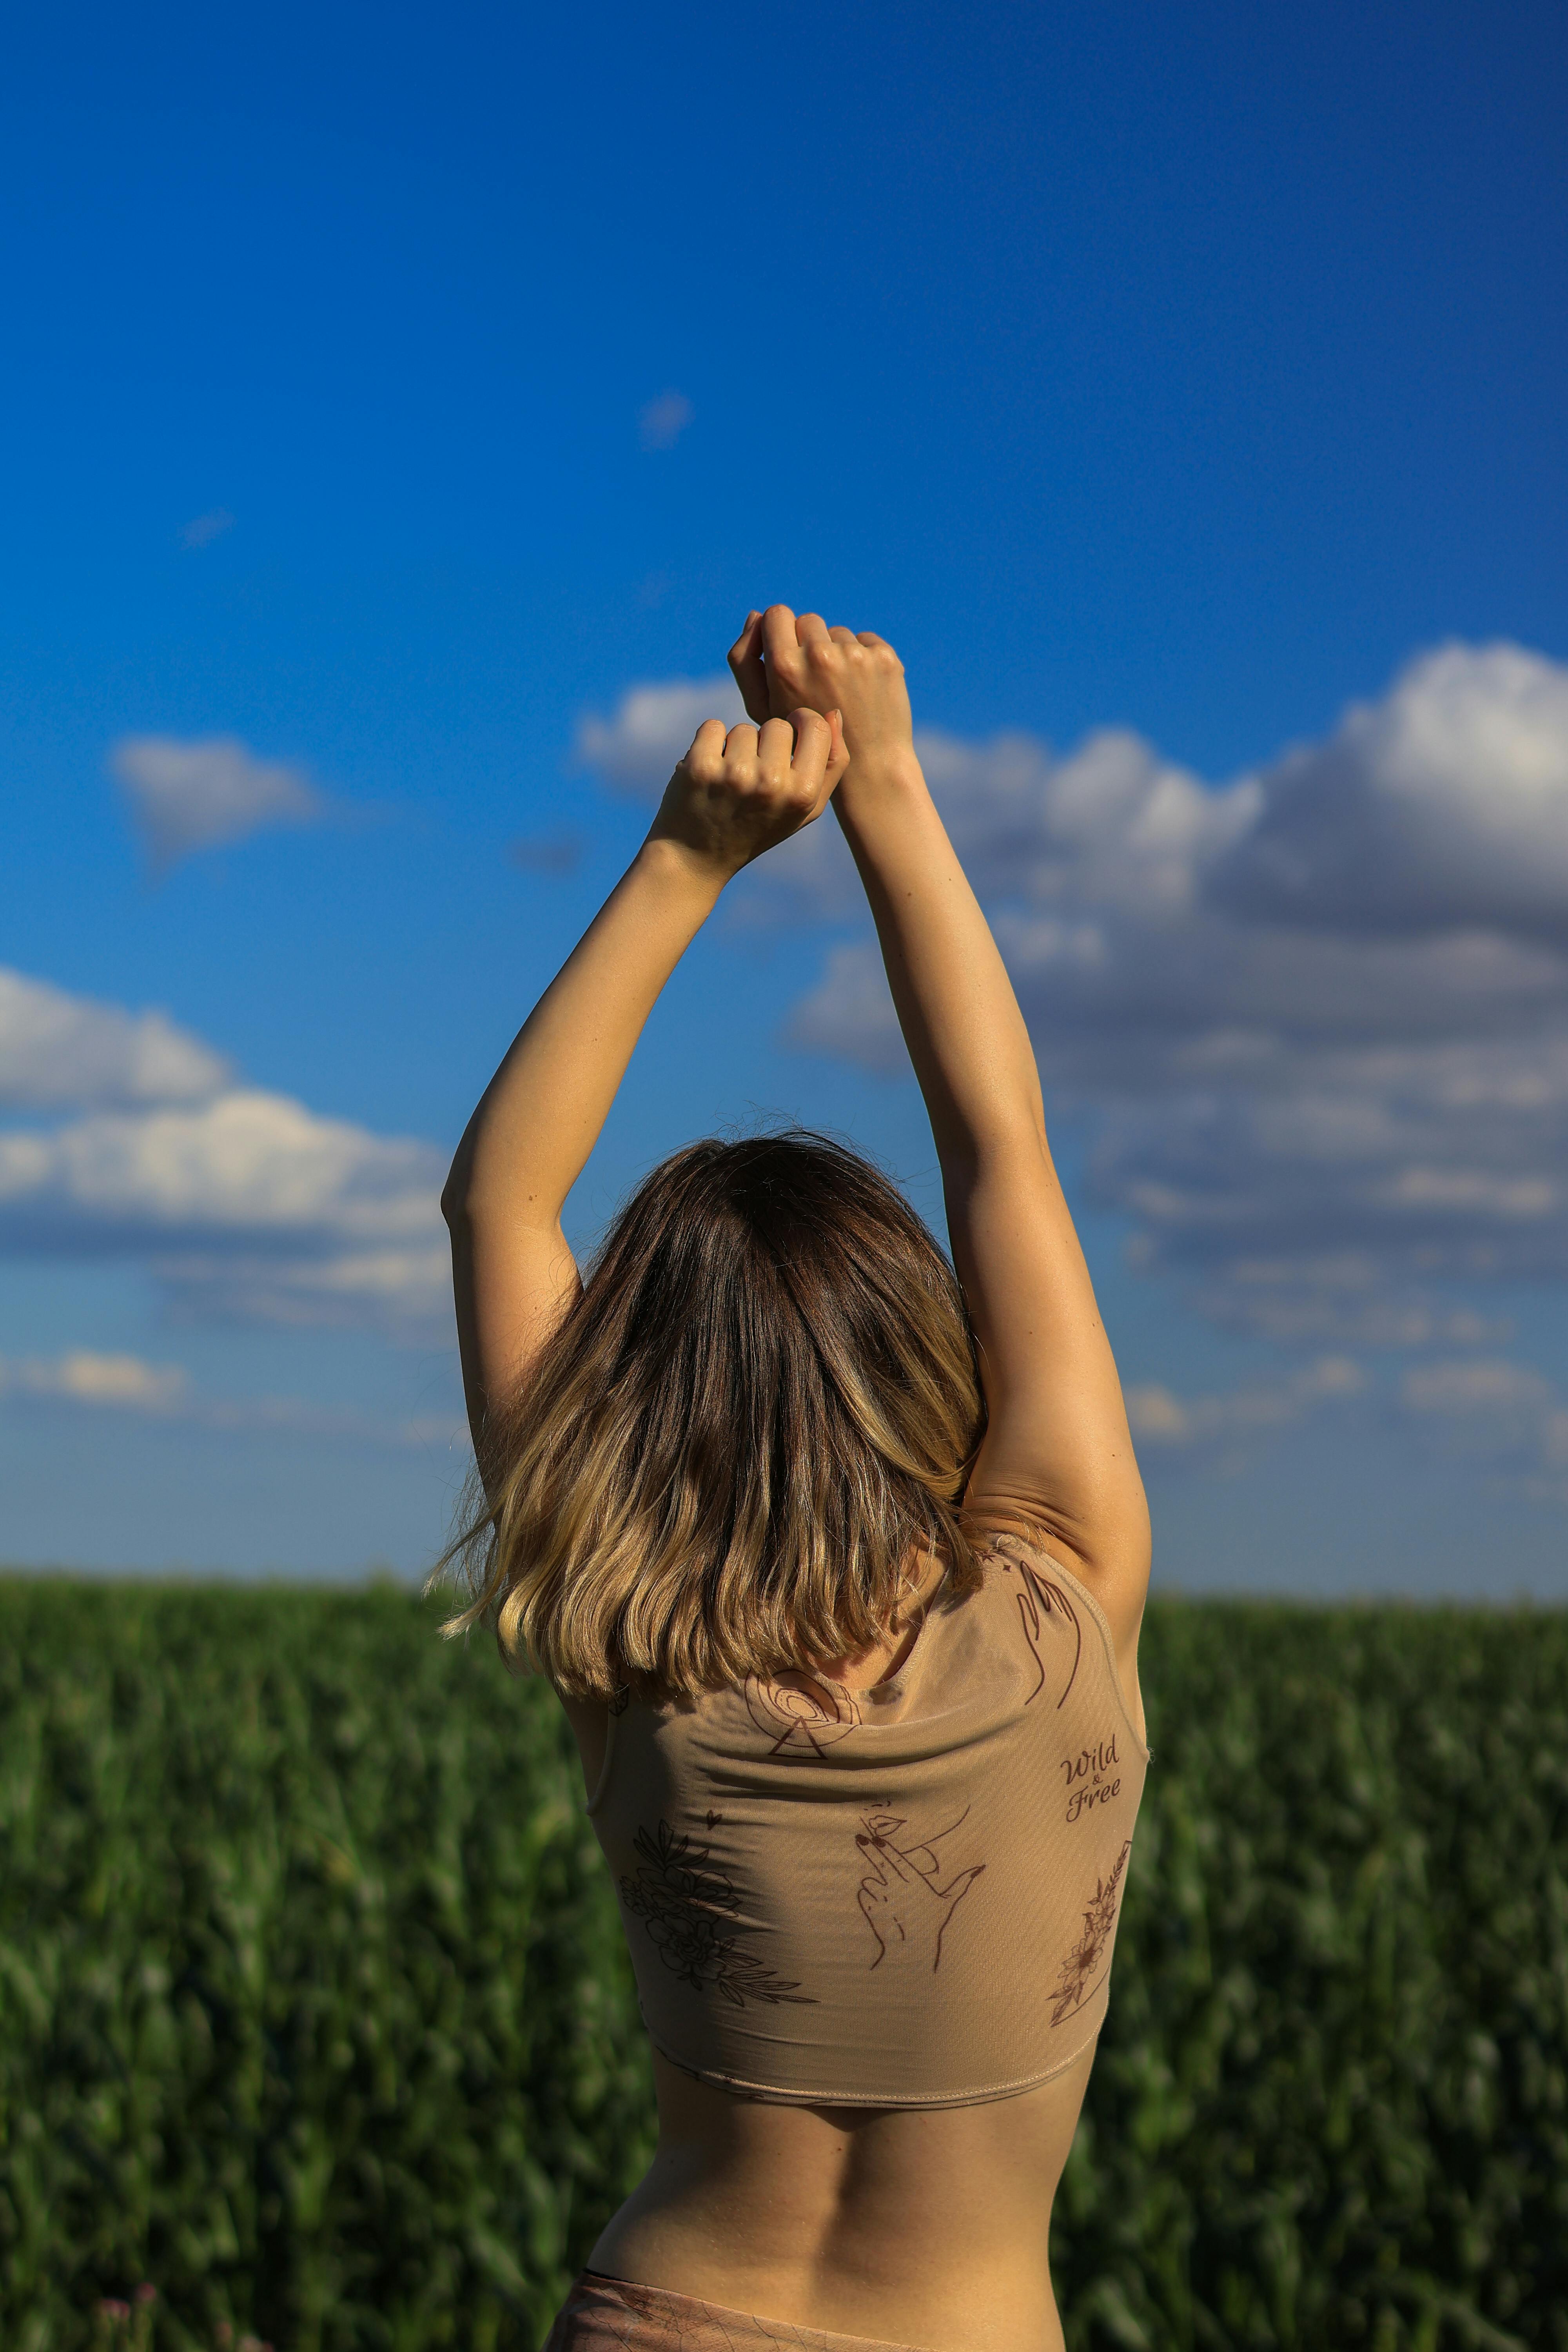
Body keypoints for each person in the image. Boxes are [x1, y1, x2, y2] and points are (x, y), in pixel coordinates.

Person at [436, 608, 1152, 2352]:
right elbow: (1000, 1143)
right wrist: (889, 788)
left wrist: (688, 860)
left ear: (635, 1402)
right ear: (922, 1352)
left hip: (666, 2312)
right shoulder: (1061, 1580)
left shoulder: (626, 1629)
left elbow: (500, 1209)